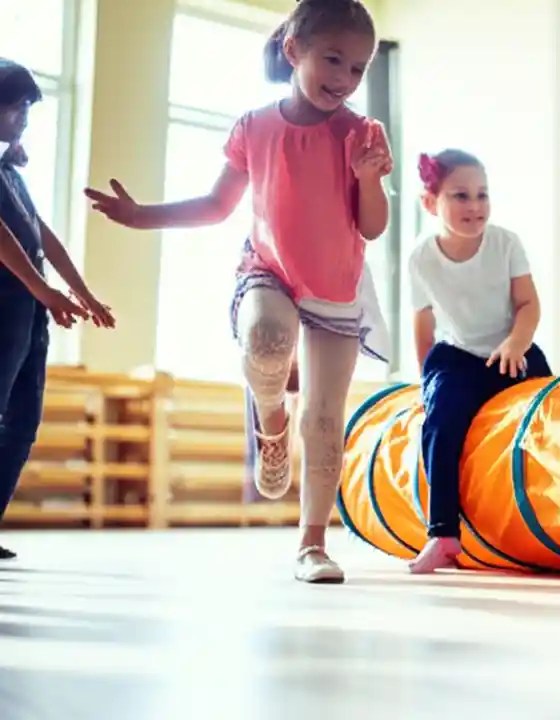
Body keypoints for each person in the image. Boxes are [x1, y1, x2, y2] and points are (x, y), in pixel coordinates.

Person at [84, 0, 391, 583]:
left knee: (326, 419)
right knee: (266, 336)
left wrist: (369, 178)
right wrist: (141, 215)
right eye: (333, 60)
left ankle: (312, 543)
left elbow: (371, 227)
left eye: (359, 68)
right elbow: (215, 205)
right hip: (268, 268)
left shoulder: (361, 133)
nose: (346, 79)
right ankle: (270, 416)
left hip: (336, 285)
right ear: (293, 50)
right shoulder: (254, 126)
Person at [406, 149, 553, 574]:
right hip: (458, 356)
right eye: (461, 196)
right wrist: (423, 386)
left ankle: (546, 512)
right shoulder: (422, 259)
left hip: (511, 346)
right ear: (431, 203)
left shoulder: (505, 243)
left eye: (482, 195)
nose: (475, 206)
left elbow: (528, 304)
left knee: (547, 412)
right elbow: (423, 324)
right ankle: (443, 532)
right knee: (441, 423)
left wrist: (515, 344)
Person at [0, 58, 115, 560]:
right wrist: (43, 290)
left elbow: (40, 234)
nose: (24, 115)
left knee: (24, 420)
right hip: (6, 305)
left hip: (29, 311)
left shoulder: (12, 172)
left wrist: (80, 291)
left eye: (27, 107)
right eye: (16, 105)